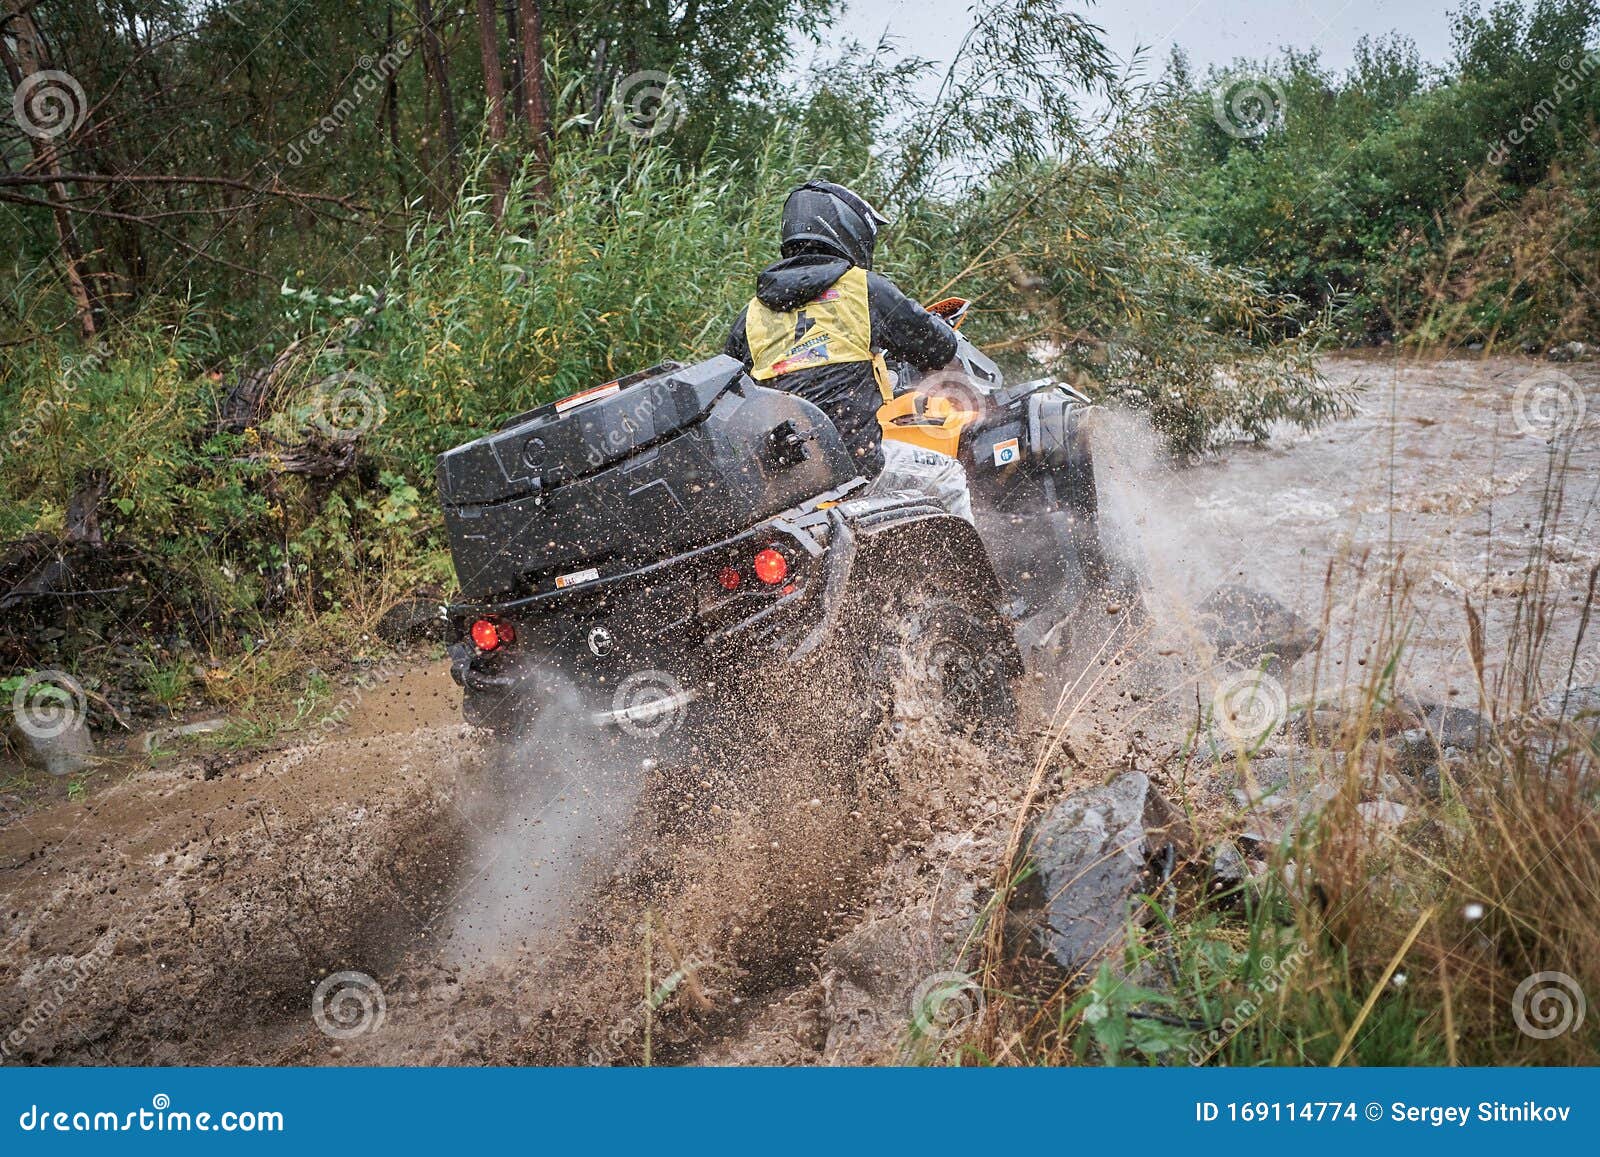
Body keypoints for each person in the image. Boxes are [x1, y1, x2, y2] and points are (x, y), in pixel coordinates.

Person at [723, 180, 974, 522]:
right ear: (847, 227)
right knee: (946, 475)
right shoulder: (862, 289)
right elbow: (939, 347)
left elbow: (732, 402)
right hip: (855, 463)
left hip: (785, 480)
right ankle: (962, 577)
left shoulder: (751, 315)